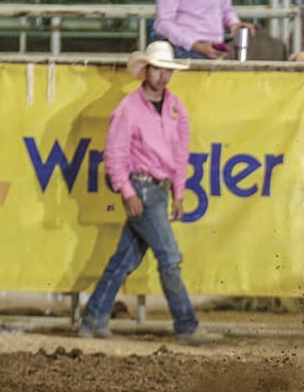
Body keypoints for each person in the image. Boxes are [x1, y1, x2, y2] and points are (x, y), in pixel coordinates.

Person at [80, 41, 214, 345]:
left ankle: (93, 318)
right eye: (158, 69)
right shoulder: (129, 109)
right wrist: (127, 192)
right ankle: (186, 325)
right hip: (142, 187)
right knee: (168, 257)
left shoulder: (175, 106)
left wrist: (178, 191)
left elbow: (181, 152)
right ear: (146, 70)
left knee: (125, 259)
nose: (163, 75)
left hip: (157, 189)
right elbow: (115, 154)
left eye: (167, 70)